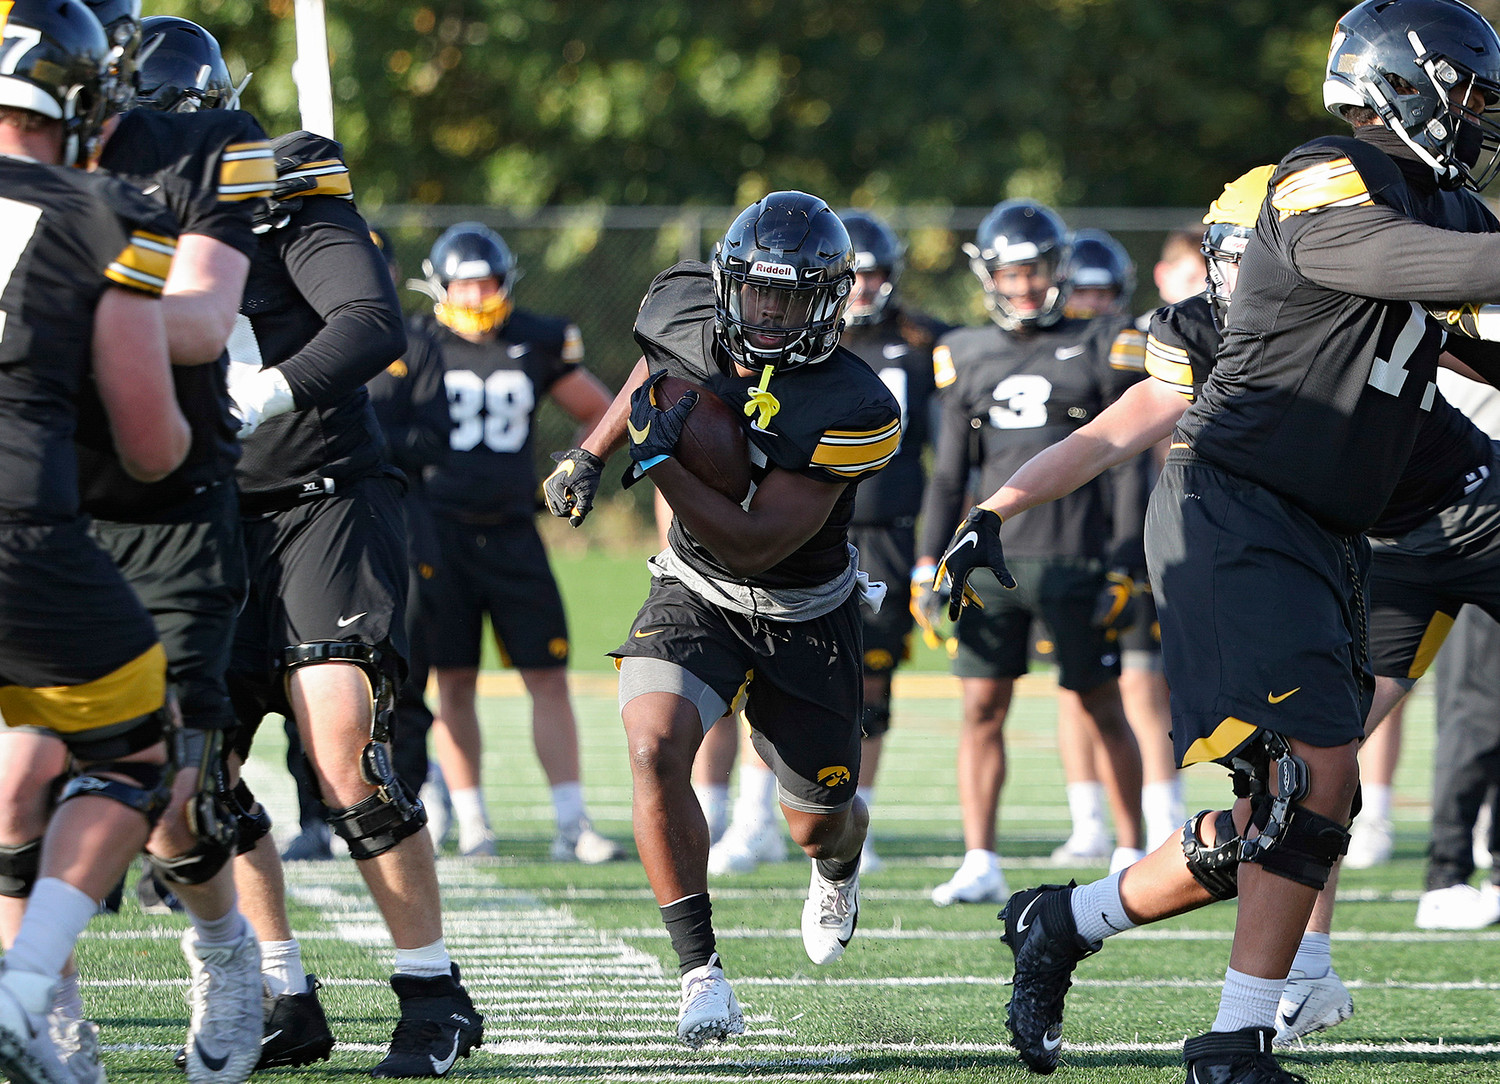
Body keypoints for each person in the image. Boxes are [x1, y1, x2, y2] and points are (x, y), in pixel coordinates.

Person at [942, 2, 1500, 1075]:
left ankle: (1065, 921)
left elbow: (1473, 321)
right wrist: (996, 508)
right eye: (1468, 91)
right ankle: (1236, 1040)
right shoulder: (1328, 172)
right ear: (1401, 83)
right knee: (1313, 775)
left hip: (1331, 534)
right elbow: (1397, 264)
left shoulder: (1452, 211)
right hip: (1236, 506)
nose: (1479, 115)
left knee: (1283, 813)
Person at [543, 191, 901, 1046]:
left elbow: (754, 541)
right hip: (695, 589)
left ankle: (840, 865)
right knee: (652, 742)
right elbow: (654, 372)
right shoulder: (686, 309)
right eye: (756, 291)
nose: (768, 312)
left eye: (789, 297)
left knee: (817, 822)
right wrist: (589, 451)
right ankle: (700, 972)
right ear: (729, 283)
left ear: (830, 300)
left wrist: (656, 459)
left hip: (802, 609)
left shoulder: (857, 403)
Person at [0, 7, 274, 1084]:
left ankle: (224, 948)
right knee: (19, 781)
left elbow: (201, 322)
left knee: (173, 796)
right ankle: (41, 1005)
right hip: (46, 504)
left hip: (161, 512)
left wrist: (54, 307)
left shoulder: (212, 142)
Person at [221, 123, 482, 1075]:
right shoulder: (101, 211)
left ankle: (433, 991)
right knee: (194, 774)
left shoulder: (280, 195)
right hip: (202, 516)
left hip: (323, 501)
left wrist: (262, 394)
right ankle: (280, 993)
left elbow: (371, 322)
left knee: (343, 755)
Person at [0, 3, 192, 1081]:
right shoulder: (105, 210)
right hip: (20, 530)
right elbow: (152, 442)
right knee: (132, 751)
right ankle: (22, 987)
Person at [914, 199, 1145, 907]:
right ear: (989, 276)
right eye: (1011, 273)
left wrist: (1125, 561)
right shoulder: (964, 351)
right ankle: (980, 857)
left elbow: (1128, 464)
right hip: (991, 563)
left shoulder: (1105, 340)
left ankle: (1130, 850)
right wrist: (927, 562)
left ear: (1059, 269)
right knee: (981, 708)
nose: (1023, 286)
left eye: (1035, 271)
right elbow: (949, 475)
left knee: (1100, 703)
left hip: (1077, 554)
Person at [706, 209, 947, 877]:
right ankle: (754, 819)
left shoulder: (925, 344)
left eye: (875, 274)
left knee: (870, 684)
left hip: (887, 527)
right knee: (765, 671)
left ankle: (854, 815)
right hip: (800, 521)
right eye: (856, 276)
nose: (865, 288)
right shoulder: (778, 344)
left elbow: (956, 446)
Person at [409, 222, 621, 863]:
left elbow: (600, 410)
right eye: (464, 284)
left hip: (511, 532)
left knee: (547, 676)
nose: (476, 296)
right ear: (441, 286)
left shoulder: (535, 337)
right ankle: (474, 821)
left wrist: (574, 466)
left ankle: (572, 823)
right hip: (439, 534)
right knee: (453, 681)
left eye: (487, 282)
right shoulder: (416, 342)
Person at [279, 226, 451, 864]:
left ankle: (405, 800)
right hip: (315, 524)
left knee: (402, 676)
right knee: (307, 674)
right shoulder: (298, 335)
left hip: (400, 521)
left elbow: (436, 437)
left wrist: (360, 435)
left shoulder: (415, 342)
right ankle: (313, 815)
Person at [1053, 226, 1186, 856]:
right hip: (1073, 538)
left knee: (1142, 683)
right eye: (1080, 292)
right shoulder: (1052, 353)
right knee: (1075, 686)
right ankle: (1088, 820)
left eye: (1103, 293)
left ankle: (1162, 813)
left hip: (1137, 539)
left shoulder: (1144, 345)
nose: (1092, 305)